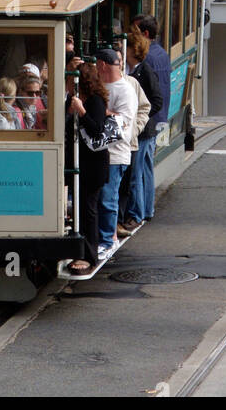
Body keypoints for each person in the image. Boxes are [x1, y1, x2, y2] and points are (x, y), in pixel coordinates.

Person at [66, 61, 111, 274]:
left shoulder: (95, 101)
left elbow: (97, 131)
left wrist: (81, 111)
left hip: (93, 166)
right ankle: (78, 249)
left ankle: (89, 254)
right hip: (77, 164)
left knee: (89, 209)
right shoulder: (72, 99)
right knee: (79, 208)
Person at [94, 48, 136, 260]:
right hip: (100, 153)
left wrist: (100, 114)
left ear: (101, 65)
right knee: (99, 197)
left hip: (116, 154)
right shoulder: (100, 85)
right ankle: (103, 238)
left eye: (95, 65)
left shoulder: (125, 90)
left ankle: (108, 240)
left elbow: (123, 124)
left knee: (107, 199)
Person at [119, 30, 162, 234]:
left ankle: (136, 214)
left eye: (125, 46)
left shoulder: (144, 71)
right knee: (143, 170)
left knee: (136, 173)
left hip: (143, 131)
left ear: (132, 49)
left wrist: (140, 120)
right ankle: (145, 210)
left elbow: (156, 101)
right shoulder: (130, 69)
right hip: (143, 130)